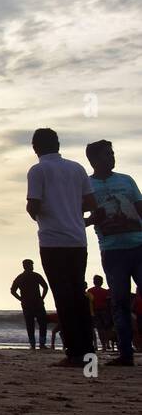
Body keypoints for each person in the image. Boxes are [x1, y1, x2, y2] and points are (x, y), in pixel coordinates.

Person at [25, 128, 97, 367]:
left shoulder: (38, 170)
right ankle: (88, 351)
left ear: (36, 147)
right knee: (77, 295)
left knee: (63, 298)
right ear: (58, 144)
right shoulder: (77, 168)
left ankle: (74, 352)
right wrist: (73, 215)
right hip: (77, 240)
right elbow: (90, 203)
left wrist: (43, 215)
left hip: (53, 241)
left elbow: (33, 205)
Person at [84, 139, 140, 366]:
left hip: (139, 246)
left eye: (112, 153)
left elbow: (140, 208)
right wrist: (90, 220)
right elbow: (78, 217)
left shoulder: (126, 181)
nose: (112, 157)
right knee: (120, 301)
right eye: (107, 154)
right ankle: (126, 354)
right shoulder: (87, 186)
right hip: (112, 251)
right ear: (94, 160)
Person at [11, 259, 50, 349]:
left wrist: (21, 299)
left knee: (30, 324)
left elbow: (13, 291)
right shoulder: (35, 275)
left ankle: (33, 344)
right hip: (37, 303)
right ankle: (41, 343)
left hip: (28, 304)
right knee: (42, 323)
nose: (32, 267)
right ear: (27, 266)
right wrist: (42, 298)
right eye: (31, 265)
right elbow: (45, 287)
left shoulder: (20, 277)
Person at [85, 275, 113, 352]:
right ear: (101, 282)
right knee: (106, 328)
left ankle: (103, 345)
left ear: (94, 282)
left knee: (99, 329)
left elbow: (89, 303)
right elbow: (108, 303)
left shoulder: (90, 291)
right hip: (104, 311)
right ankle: (107, 344)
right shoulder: (105, 291)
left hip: (95, 312)